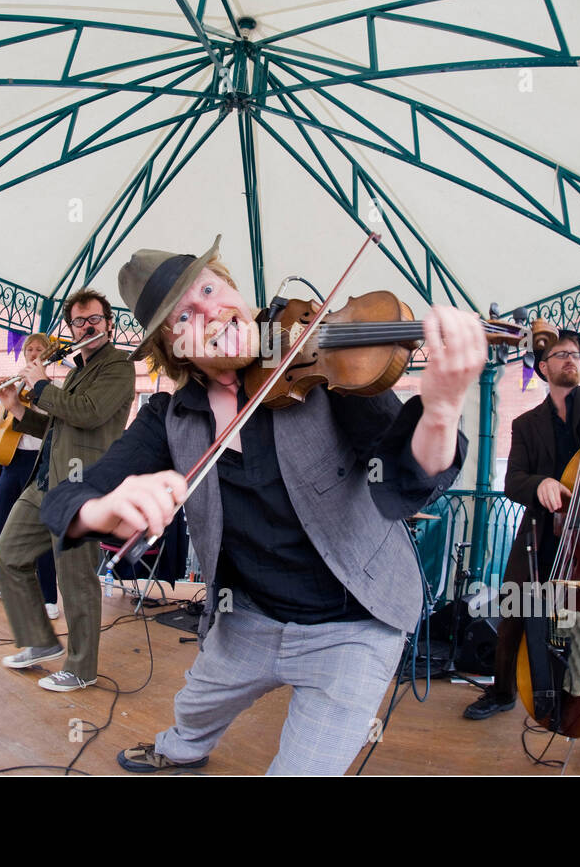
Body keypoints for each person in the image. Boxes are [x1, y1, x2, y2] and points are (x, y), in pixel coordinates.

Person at [39, 235, 488, 775]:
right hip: (245, 617)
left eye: (211, 288)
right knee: (195, 708)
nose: (210, 311)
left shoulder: (325, 370)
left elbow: (407, 479)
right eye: (184, 318)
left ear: (232, 285)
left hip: (353, 624)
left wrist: (439, 409)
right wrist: (102, 509)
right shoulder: (172, 417)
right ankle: (180, 748)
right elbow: (69, 495)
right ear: (173, 349)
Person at [462, 321, 580, 776]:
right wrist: (542, 483)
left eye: (577, 354)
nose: (571, 359)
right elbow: (512, 483)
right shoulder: (524, 424)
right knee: (514, 611)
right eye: (561, 354)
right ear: (543, 366)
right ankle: (504, 692)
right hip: (542, 537)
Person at [0, 290, 135, 692]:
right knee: (8, 556)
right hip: (46, 480)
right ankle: (38, 640)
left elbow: (89, 413)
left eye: (94, 319)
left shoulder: (120, 367)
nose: (86, 327)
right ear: (70, 328)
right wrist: (18, 410)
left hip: (83, 487)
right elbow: (58, 427)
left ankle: (81, 668)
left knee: (75, 578)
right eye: (78, 322)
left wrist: (38, 387)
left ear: (108, 323)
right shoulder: (73, 371)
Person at [0, 333, 59, 621]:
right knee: (1, 521)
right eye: (29, 348)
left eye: (39, 349)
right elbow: (1, 416)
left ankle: (49, 597)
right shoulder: (14, 383)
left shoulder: (52, 387)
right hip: (13, 460)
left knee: (41, 527)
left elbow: (49, 422)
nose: (33, 353)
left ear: (48, 355)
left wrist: (30, 396)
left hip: (39, 462)